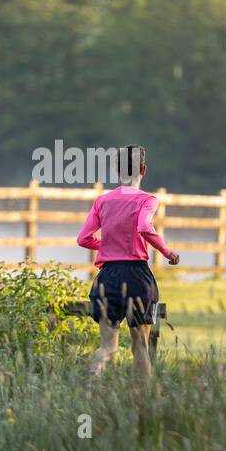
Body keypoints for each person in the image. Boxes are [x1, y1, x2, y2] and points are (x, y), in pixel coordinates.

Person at [76, 145, 179, 375]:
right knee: (140, 347)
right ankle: (141, 399)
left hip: (108, 278)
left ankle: (90, 390)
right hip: (137, 277)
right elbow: (144, 226)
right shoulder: (147, 200)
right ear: (144, 170)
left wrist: (109, 246)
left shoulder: (102, 201)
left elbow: (83, 238)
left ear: (117, 172)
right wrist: (167, 252)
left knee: (107, 349)